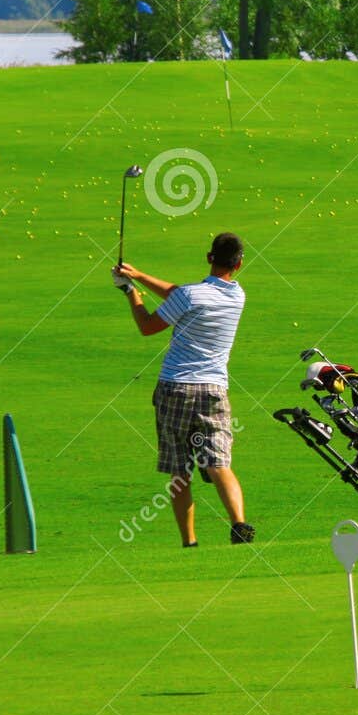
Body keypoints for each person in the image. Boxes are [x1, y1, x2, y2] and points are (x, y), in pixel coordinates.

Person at [113, 232, 254, 547]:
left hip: (175, 387)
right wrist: (138, 275)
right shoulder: (237, 296)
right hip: (214, 390)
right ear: (239, 264)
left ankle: (189, 542)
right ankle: (239, 524)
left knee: (181, 472)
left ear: (209, 257)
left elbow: (148, 326)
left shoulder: (189, 296)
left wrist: (130, 291)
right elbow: (180, 294)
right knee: (219, 463)